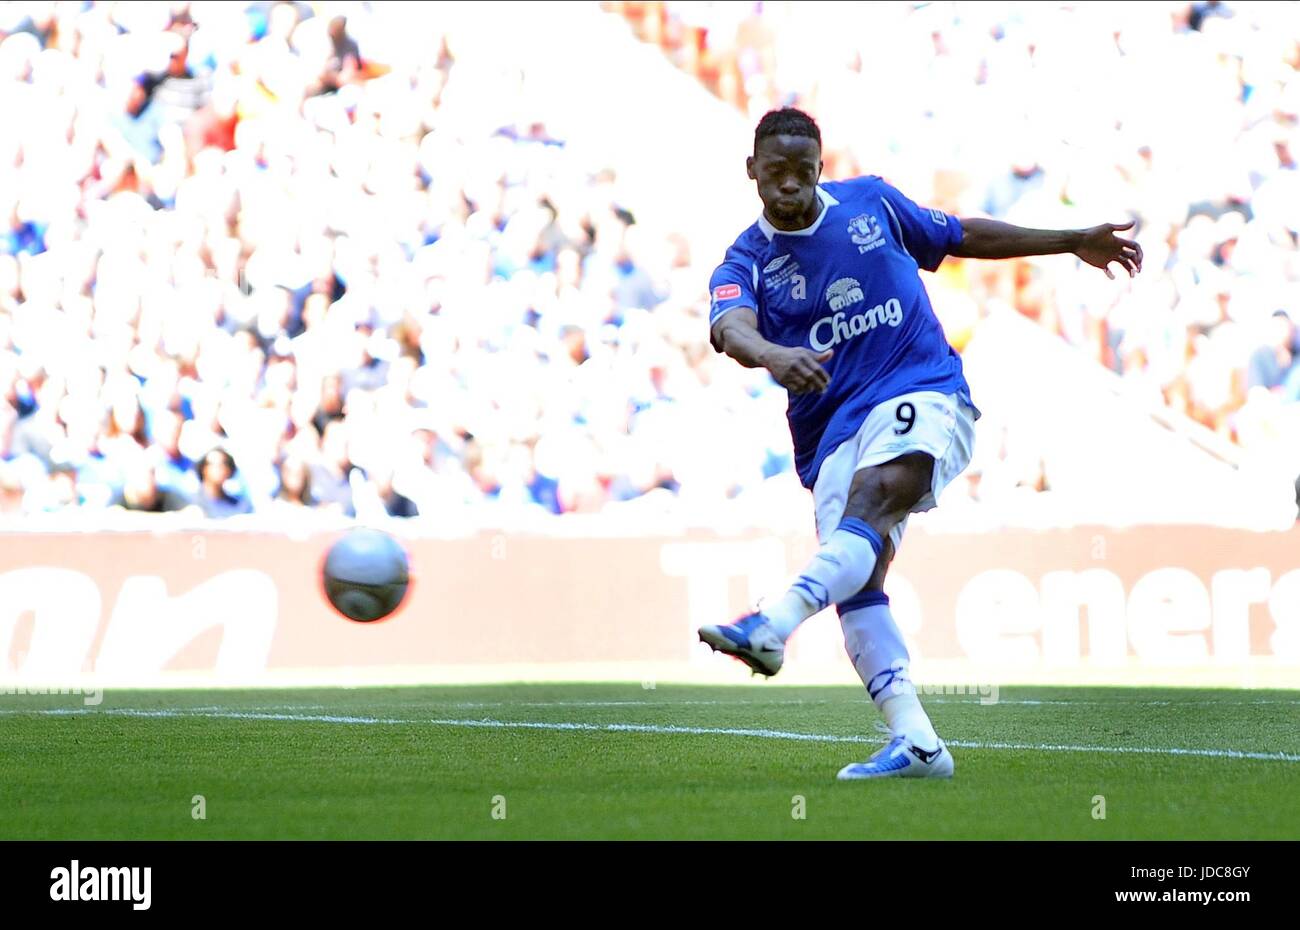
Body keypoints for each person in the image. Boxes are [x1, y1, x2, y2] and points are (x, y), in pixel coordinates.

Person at [698, 108, 1142, 780]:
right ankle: (919, 744)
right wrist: (773, 356)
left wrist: (1070, 238)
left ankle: (771, 623)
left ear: (821, 167)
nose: (789, 185)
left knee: (875, 503)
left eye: (803, 171)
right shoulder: (745, 259)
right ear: (752, 171)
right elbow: (731, 326)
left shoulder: (871, 202)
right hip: (829, 430)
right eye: (776, 173)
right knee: (857, 579)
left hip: (922, 388)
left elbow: (960, 235)